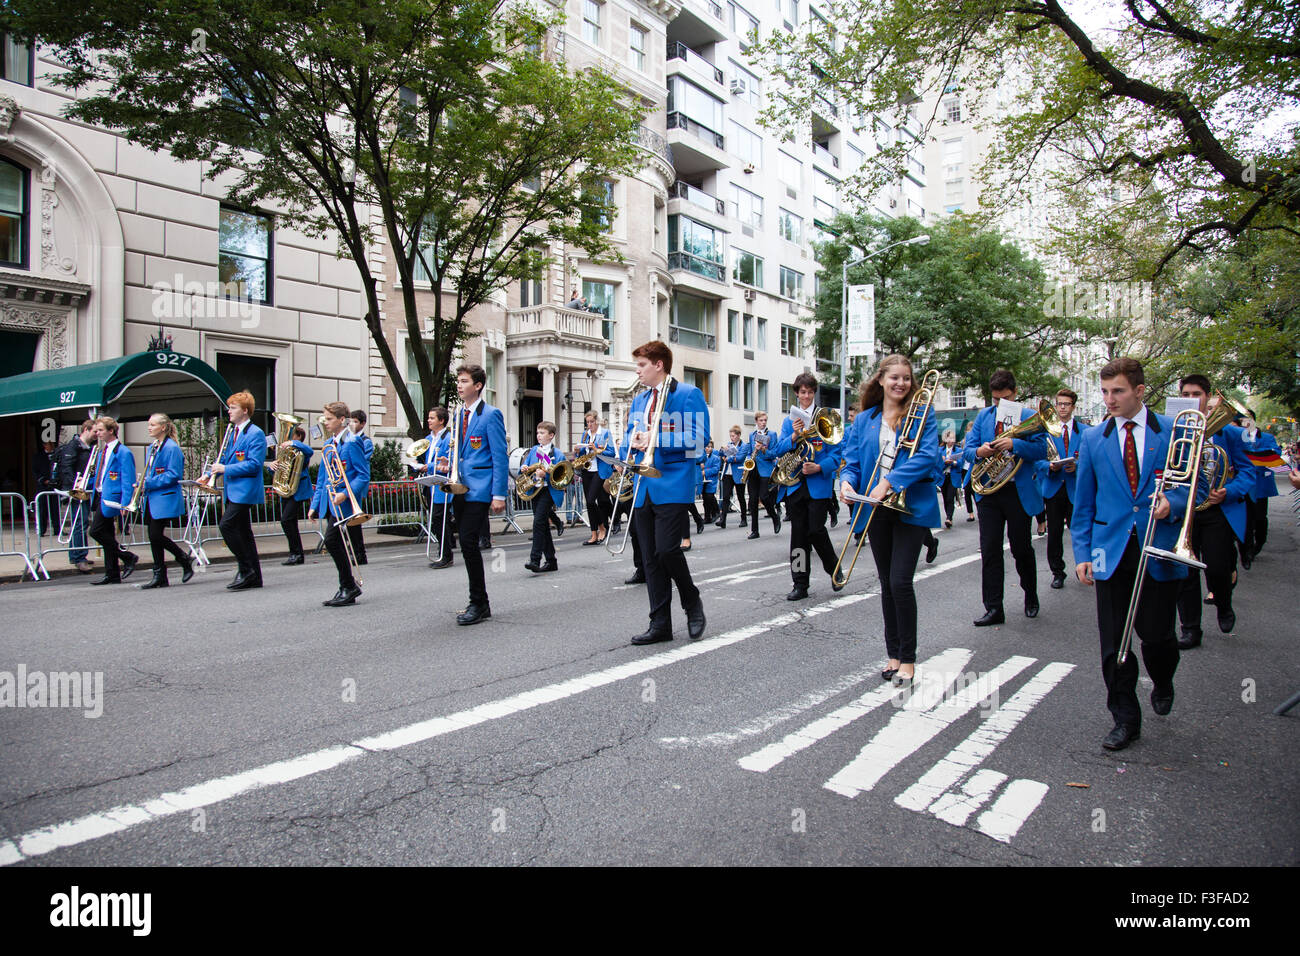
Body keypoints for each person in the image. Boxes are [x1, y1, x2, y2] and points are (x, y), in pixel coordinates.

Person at [1072, 357, 1188, 752]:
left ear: (1139, 391)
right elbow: (1083, 503)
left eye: (1117, 391)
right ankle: (1125, 717)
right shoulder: (1092, 439)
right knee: (1114, 643)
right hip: (1110, 550)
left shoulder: (1172, 431)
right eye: (1104, 392)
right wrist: (1083, 552)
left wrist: (1172, 503)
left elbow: (1199, 486)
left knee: (1157, 637)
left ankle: (1163, 677)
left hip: (1158, 546)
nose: (1109, 399)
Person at [839, 355, 940, 686]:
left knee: (900, 582)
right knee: (886, 584)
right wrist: (847, 482)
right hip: (876, 508)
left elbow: (927, 457)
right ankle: (893, 654)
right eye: (895, 377)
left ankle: (908, 658)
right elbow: (851, 461)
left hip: (910, 508)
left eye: (907, 378)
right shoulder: (864, 419)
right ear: (880, 380)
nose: (901, 383)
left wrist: (890, 482)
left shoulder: (921, 414)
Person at [617, 340, 708, 645]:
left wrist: (654, 440)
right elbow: (632, 434)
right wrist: (628, 449)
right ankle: (660, 624)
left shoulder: (687, 394)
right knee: (651, 559)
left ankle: (691, 598)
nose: (638, 371)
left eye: (642, 365)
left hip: (672, 483)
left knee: (667, 550)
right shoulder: (640, 400)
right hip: (644, 486)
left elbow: (697, 440)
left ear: (659, 364)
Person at [963, 369, 1048, 625]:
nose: (1000, 404)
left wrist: (1016, 445)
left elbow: (1043, 449)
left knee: (1021, 547)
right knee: (990, 550)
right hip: (989, 492)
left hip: (1017, 491)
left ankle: (1030, 594)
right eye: (997, 399)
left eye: (1006, 398)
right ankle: (993, 608)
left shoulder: (1030, 416)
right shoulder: (984, 416)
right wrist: (980, 450)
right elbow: (967, 450)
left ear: (1015, 392)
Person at [1174, 376, 1254, 645]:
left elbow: (1248, 472)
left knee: (1218, 568)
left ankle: (1223, 602)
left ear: (1208, 397)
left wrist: (1228, 491)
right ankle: (1190, 629)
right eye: (1185, 394)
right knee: (1185, 570)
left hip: (1216, 509)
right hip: (1185, 510)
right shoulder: (1174, 429)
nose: (1190, 399)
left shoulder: (1230, 433)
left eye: (1196, 393)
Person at [442, 364, 508, 625]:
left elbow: (499, 456)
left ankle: (478, 602)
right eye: (458, 381)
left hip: (480, 489)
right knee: (466, 543)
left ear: (478, 385)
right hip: (459, 487)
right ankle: (480, 602)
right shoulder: (458, 414)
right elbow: (459, 450)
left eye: (464, 381)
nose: (459, 385)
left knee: (469, 541)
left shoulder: (491, 414)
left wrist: (499, 494)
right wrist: (449, 466)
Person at [770, 372, 843, 601]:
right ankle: (800, 584)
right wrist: (794, 435)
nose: (806, 396)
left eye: (810, 392)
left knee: (816, 530)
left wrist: (819, 468)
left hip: (818, 485)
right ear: (796, 393)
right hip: (794, 485)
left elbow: (837, 456)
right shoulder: (787, 421)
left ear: (814, 393)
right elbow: (779, 450)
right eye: (802, 392)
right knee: (798, 537)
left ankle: (834, 569)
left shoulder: (826, 418)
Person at [310, 402, 370, 607]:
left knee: (333, 541)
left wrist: (344, 494)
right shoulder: (329, 445)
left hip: (343, 503)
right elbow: (322, 479)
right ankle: (347, 585)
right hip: (330, 502)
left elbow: (363, 476)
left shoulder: (352, 442)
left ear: (341, 420)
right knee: (335, 543)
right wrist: (315, 505)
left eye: (328, 419)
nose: (325, 422)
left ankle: (349, 585)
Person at [208, 391, 267, 590]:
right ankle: (254, 576)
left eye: (233, 407)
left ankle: (246, 569)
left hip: (245, 490)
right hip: (232, 489)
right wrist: (209, 474)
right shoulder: (233, 432)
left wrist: (225, 469)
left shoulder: (255, 433)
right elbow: (224, 460)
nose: (229, 411)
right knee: (244, 532)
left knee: (227, 525)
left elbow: (254, 464)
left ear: (244, 410)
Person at [1035, 388, 1086, 590]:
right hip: (1054, 487)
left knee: (1080, 531)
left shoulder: (1085, 431)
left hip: (1076, 488)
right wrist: (1048, 466)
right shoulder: (1045, 431)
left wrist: (1078, 466)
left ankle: (1082, 566)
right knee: (1054, 534)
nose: (1062, 408)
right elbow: (1035, 460)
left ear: (1073, 407)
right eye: (1059, 404)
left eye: (1066, 404)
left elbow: (1092, 461)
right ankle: (1057, 572)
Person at [138, 413, 194, 588]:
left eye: (153, 425)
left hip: (164, 497)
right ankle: (161, 574)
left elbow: (173, 474)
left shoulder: (171, 448)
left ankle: (182, 558)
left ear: (163, 427)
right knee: (154, 537)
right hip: (153, 497)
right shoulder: (152, 447)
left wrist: (149, 482)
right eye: (149, 424)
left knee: (155, 535)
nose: (149, 428)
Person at [88, 416, 139, 585]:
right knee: (107, 533)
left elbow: (128, 478)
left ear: (111, 431)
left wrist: (126, 502)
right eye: (97, 430)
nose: (98, 433)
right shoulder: (103, 450)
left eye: (101, 430)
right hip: (102, 495)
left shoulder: (122, 452)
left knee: (95, 531)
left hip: (112, 498)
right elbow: (102, 475)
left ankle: (127, 556)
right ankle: (112, 573)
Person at [415, 407, 456, 568]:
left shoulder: (448, 438)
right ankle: (443, 550)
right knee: (437, 518)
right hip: (431, 483)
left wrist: (429, 466)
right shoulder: (428, 439)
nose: (429, 420)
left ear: (441, 420)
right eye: (429, 418)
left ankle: (446, 554)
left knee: (440, 517)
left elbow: (448, 460)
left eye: (432, 418)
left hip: (442, 483)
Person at [1238, 410, 1281, 562]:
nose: (1244, 422)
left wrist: (1251, 454)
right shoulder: (1237, 436)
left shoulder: (1267, 437)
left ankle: (1260, 542)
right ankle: (1247, 549)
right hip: (1243, 484)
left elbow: (1274, 454)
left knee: (1260, 517)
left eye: (1246, 419)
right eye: (1241, 419)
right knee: (1246, 518)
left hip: (1260, 484)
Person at [522, 422, 564, 573]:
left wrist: (545, 474)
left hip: (548, 491)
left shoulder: (557, 454)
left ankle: (535, 559)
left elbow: (562, 477)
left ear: (551, 435)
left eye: (542, 433)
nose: (538, 435)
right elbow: (527, 464)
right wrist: (525, 468)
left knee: (539, 522)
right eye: (538, 432)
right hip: (536, 489)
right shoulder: (534, 450)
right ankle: (551, 561)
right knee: (543, 526)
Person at [57, 420, 97, 573]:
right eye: (94, 431)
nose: (96, 434)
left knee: (80, 522)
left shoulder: (87, 448)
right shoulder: (74, 446)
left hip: (83, 488)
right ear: (86, 430)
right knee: (80, 522)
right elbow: (66, 467)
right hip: (77, 489)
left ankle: (78, 554)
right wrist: (75, 482)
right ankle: (79, 556)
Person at [277, 425, 315, 566]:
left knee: (286, 520)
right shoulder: (286, 452)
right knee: (290, 522)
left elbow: (310, 451)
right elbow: (279, 472)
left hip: (298, 490)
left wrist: (293, 443)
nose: (288, 438)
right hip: (286, 490)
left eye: (291, 435)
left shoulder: (301, 451)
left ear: (298, 437)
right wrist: (272, 466)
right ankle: (296, 554)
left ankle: (296, 553)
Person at [577, 411, 613, 546]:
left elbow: (611, 452)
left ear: (597, 421)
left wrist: (597, 449)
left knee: (592, 500)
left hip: (599, 470)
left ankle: (603, 527)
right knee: (589, 503)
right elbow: (582, 453)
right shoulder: (585, 435)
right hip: (587, 470)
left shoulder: (605, 433)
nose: (589, 425)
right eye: (587, 422)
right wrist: (578, 450)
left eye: (591, 422)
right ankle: (593, 533)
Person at [745, 412, 782, 538]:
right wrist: (748, 459)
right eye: (761, 420)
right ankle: (755, 530)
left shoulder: (771, 434)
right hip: (753, 469)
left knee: (764, 496)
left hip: (765, 469)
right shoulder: (752, 435)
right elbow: (749, 452)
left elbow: (774, 453)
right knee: (753, 500)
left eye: (765, 420)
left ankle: (774, 517)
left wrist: (763, 449)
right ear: (756, 421)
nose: (763, 422)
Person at [347, 410, 374, 567]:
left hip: (357, 483)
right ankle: (352, 551)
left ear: (363, 423)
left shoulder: (366, 441)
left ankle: (360, 553)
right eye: (350, 421)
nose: (352, 424)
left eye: (355, 421)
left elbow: (358, 462)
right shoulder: (348, 439)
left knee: (355, 521)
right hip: (348, 484)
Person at [716, 426, 748, 529]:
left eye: (733, 436)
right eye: (730, 436)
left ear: (738, 435)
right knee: (725, 497)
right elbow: (721, 454)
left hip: (738, 473)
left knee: (741, 497)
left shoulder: (744, 446)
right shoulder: (729, 445)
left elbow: (740, 458)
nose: (731, 438)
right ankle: (723, 519)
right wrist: (722, 450)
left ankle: (744, 519)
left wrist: (728, 458)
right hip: (728, 474)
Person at [33, 436, 60, 536]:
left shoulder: (56, 456)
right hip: (42, 487)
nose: (51, 446)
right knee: (42, 510)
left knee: (55, 509)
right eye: (49, 444)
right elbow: (35, 471)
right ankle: (41, 530)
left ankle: (57, 529)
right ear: (45, 445)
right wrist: (43, 480)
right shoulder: (38, 456)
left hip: (54, 486)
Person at [701, 441, 721, 524]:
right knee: (705, 499)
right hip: (703, 481)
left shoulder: (715, 458)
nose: (709, 448)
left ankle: (715, 512)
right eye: (707, 446)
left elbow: (716, 469)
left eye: (710, 447)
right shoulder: (701, 457)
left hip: (711, 480)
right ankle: (708, 516)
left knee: (709, 497)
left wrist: (705, 471)